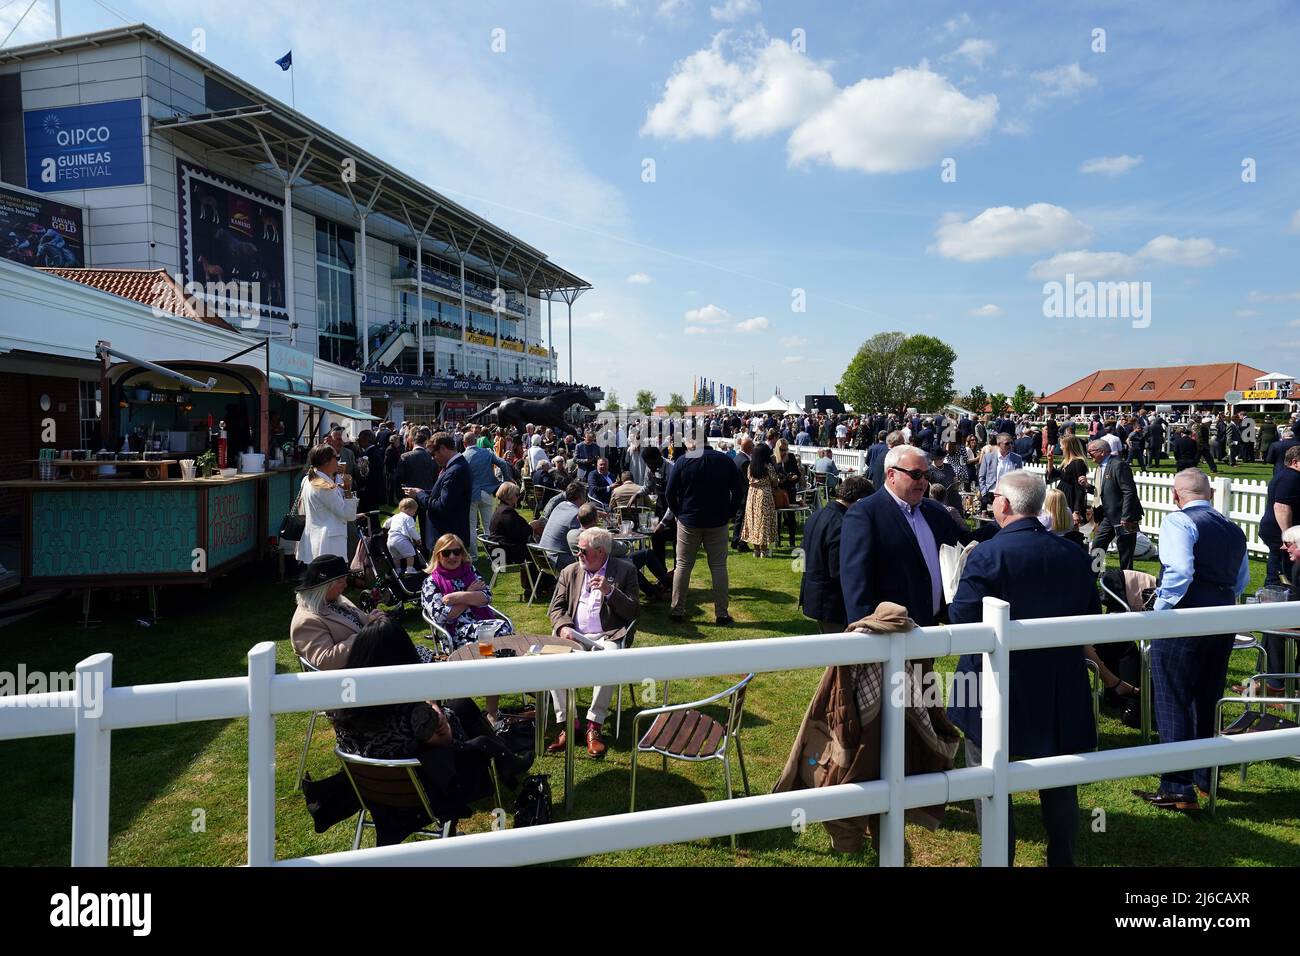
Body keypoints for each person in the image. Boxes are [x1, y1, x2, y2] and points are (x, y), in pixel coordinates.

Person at [946, 470, 1100, 866]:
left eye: (995, 496)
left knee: (989, 782)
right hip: (1059, 684)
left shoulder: (987, 554)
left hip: (997, 686)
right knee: (1060, 782)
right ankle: (1062, 860)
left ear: (1005, 505)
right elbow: (1090, 615)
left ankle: (998, 859)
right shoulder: (1073, 553)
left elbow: (963, 621)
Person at [331, 619, 530, 828]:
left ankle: (507, 762)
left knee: (463, 704)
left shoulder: (344, 707)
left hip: (373, 786)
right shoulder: (412, 711)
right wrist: (432, 703)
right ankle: (506, 761)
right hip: (422, 785)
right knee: (480, 740)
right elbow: (445, 739)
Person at [1134, 469, 1249, 812]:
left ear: (1174, 495)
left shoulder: (1179, 522)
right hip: (1223, 615)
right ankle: (1202, 776)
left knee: (1173, 698)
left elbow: (1180, 571)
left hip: (1185, 616)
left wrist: (1162, 608)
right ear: (1210, 493)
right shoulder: (1234, 528)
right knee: (1207, 695)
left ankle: (1176, 787)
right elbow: (1240, 580)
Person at [840, 444, 972, 630]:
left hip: (929, 626)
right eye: (916, 474)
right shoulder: (865, 514)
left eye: (927, 475)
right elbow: (856, 581)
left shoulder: (935, 511)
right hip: (889, 630)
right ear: (891, 475)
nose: (923, 482)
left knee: (921, 661)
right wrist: (864, 632)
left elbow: (963, 543)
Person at [546, 527, 639, 757]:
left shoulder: (625, 571)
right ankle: (569, 724)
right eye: (578, 550)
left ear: (600, 552)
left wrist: (610, 592)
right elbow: (555, 608)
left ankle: (594, 726)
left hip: (608, 635)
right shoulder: (570, 571)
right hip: (574, 635)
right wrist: (563, 626)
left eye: (583, 551)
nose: (578, 555)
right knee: (549, 660)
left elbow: (634, 610)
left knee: (608, 660)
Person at [420, 533, 515, 721]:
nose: (453, 557)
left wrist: (458, 597)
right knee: (499, 637)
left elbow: (486, 597)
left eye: (457, 552)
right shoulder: (431, 582)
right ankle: (504, 699)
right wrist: (470, 595)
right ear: (438, 555)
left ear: (463, 553)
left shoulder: (470, 571)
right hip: (454, 635)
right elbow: (443, 615)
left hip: (482, 630)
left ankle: (494, 709)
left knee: (495, 647)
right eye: (446, 553)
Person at [665, 440, 744, 623]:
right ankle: (722, 613)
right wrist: (729, 513)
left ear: (693, 443)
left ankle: (677, 609)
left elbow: (670, 493)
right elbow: (739, 491)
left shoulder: (683, 461)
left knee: (683, 565)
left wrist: (679, 513)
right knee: (718, 566)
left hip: (689, 520)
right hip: (717, 520)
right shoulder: (724, 461)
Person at [799, 476, 873, 633]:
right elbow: (839, 569)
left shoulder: (817, 514)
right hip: (831, 601)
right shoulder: (842, 523)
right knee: (839, 654)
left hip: (814, 592)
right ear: (860, 502)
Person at [291, 554, 389, 669]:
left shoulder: (335, 600)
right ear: (323, 587)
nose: (345, 585)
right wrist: (369, 631)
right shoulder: (307, 622)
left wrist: (370, 619)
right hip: (356, 675)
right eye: (340, 582)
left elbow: (354, 622)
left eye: (345, 580)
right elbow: (326, 660)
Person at [567, 503, 672, 599]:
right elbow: (623, 549)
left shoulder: (571, 535)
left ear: (578, 518)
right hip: (611, 568)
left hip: (593, 568)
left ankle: (654, 591)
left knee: (631, 564)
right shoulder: (599, 538)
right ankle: (667, 584)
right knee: (646, 554)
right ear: (595, 520)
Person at [404, 432, 471, 553]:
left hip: (448, 539)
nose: (432, 458)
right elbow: (444, 494)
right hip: (448, 537)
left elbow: (442, 506)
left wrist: (419, 495)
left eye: (433, 454)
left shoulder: (455, 471)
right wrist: (422, 492)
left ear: (443, 448)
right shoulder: (454, 467)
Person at [1083, 438, 1143, 570]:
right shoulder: (1100, 467)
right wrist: (1088, 487)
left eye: (1091, 451)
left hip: (1124, 517)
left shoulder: (1118, 465)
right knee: (1098, 546)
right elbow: (1105, 492)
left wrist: (1126, 517)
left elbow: (1129, 492)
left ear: (1102, 452)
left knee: (1125, 553)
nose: (1088, 454)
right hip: (1108, 517)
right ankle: (1093, 577)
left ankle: (1126, 585)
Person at [296, 444, 360, 565]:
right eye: (336, 457)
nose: (338, 460)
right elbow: (348, 515)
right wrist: (347, 489)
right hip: (328, 543)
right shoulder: (325, 486)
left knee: (321, 580)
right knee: (331, 581)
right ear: (326, 462)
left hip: (316, 539)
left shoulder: (308, 480)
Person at [463, 436, 514, 561]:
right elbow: (502, 463)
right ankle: (491, 555)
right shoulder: (487, 452)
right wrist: (506, 480)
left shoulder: (463, 456)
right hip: (487, 491)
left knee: (472, 526)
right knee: (489, 526)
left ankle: (474, 556)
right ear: (476, 441)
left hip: (471, 494)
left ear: (464, 443)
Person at [1258, 444, 1300, 587]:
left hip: (1276, 531)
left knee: (1277, 566)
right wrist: (1288, 537)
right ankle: (1278, 598)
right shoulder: (1291, 477)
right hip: (1280, 532)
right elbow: (1281, 507)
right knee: (1284, 572)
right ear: (1295, 462)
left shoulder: (1286, 475)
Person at [488, 481, 538, 594]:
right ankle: (538, 586)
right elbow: (518, 534)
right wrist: (532, 527)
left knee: (531, 549)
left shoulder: (500, 509)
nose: (518, 498)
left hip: (499, 550)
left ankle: (533, 586)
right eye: (517, 495)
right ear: (509, 496)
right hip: (503, 553)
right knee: (535, 552)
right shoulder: (506, 512)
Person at [741, 436, 779, 558]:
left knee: (753, 520)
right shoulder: (768, 467)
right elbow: (775, 481)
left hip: (752, 494)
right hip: (764, 494)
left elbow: (749, 479)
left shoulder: (750, 466)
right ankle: (764, 550)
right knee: (764, 521)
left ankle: (756, 550)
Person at [538, 481, 589, 570]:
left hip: (542, 557)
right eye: (585, 496)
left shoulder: (560, 506)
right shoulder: (576, 515)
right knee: (595, 559)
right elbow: (584, 539)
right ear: (581, 497)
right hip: (557, 560)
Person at [977, 433, 1024, 508]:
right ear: (999, 444)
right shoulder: (988, 457)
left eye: (1012, 443)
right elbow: (981, 477)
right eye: (1007, 444)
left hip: (1009, 495)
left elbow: (1019, 478)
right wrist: (984, 494)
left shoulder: (1017, 459)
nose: (1010, 446)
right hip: (992, 493)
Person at [385, 497, 423, 570]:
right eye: (414, 512)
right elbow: (411, 529)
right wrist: (418, 538)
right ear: (408, 510)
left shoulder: (395, 516)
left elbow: (386, 524)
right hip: (401, 539)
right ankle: (409, 569)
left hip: (390, 541)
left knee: (396, 557)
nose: (414, 514)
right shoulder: (408, 518)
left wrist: (385, 527)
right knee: (411, 554)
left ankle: (398, 570)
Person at [730, 437, 753, 552]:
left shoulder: (737, 458)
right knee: (743, 519)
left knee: (739, 518)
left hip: (737, 493)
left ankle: (735, 540)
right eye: (752, 446)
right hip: (744, 494)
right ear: (749, 448)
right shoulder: (745, 461)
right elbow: (748, 480)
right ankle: (741, 542)